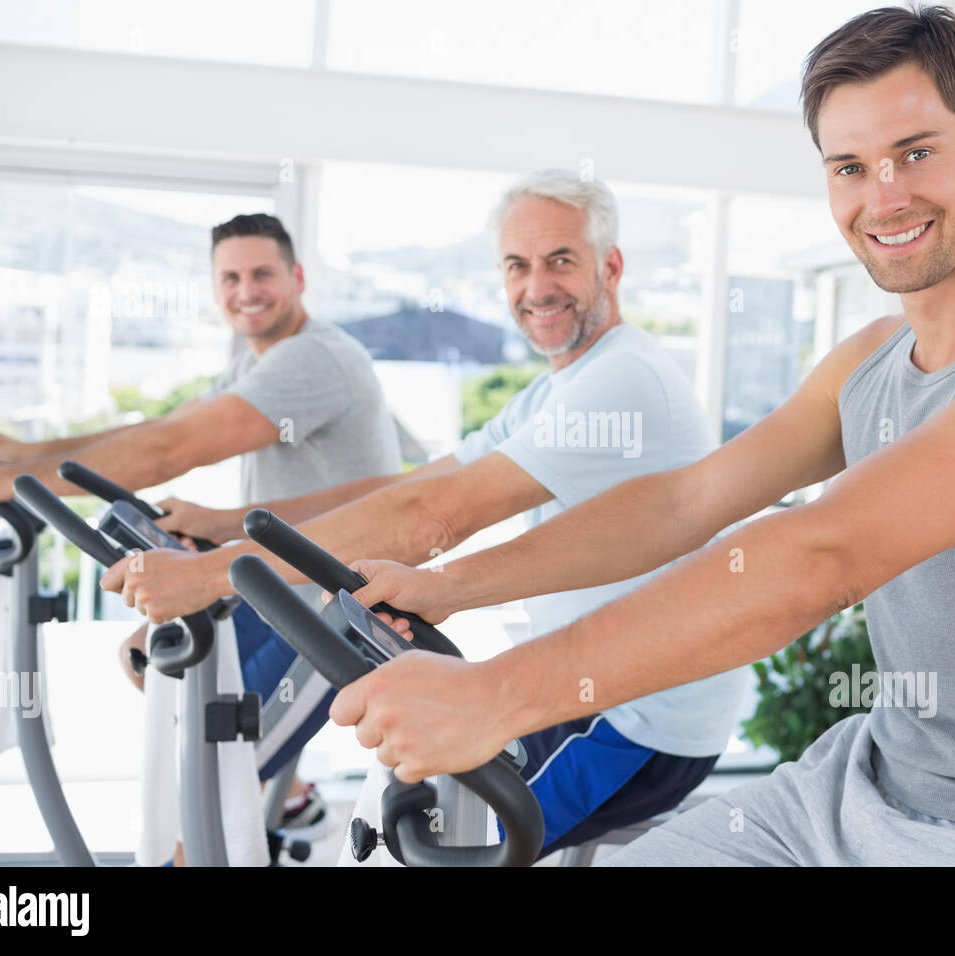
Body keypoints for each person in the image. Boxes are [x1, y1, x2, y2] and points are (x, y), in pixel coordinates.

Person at [327, 5, 955, 866]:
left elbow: (824, 553)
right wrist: (446, 588)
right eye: (850, 168)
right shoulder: (867, 360)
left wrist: (494, 696)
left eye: (917, 153)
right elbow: (684, 502)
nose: (885, 196)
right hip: (869, 785)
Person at [100, 170, 748, 859]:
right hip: (575, 687)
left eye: (561, 260)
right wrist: (229, 528)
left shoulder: (624, 380)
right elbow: (420, 484)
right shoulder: (558, 385)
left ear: (609, 266)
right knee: (399, 798)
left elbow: (433, 516)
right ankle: (289, 804)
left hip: (635, 720)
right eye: (517, 266)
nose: (537, 288)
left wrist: (211, 574)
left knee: (423, 839)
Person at [0, 212, 402, 827]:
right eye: (230, 277)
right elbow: (159, 429)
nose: (246, 291)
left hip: (333, 604)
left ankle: (260, 805)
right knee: (150, 657)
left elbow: (170, 452)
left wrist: (6, 484)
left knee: (204, 789)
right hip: (279, 583)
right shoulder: (255, 363)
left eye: (262, 273)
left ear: (296, 277)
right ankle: (283, 802)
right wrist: (21, 455)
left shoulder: (314, 360)